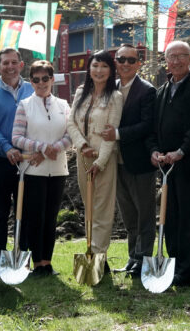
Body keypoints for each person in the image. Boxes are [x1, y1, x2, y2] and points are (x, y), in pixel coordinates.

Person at [147, 40, 190, 287]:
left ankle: (189, 272)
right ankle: (173, 265)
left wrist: (182, 151)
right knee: (170, 216)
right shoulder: (162, 91)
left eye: (181, 56)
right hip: (166, 166)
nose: (175, 61)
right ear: (166, 61)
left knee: (188, 219)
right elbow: (153, 128)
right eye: (171, 57)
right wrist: (155, 151)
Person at [11, 60, 72, 277]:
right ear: (31, 82)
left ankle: (47, 262)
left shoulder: (64, 105)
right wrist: (42, 147)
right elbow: (17, 137)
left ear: (52, 79)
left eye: (45, 78)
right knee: (35, 217)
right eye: (36, 79)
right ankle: (36, 262)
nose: (41, 83)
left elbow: (71, 134)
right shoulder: (24, 105)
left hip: (57, 169)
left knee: (51, 217)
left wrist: (55, 148)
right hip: (33, 170)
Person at [102, 44, 157, 277]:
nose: (125, 64)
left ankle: (144, 259)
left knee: (144, 214)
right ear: (115, 62)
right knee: (128, 215)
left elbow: (147, 125)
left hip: (140, 162)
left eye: (131, 60)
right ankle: (132, 258)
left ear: (138, 64)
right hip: (116, 163)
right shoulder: (109, 88)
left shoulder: (147, 91)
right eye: (121, 59)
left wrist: (118, 134)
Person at [67, 51, 124, 270]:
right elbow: (70, 122)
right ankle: (90, 251)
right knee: (88, 207)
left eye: (104, 67)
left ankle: (99, 258)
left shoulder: (115, 97)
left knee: (102, 209)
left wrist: (100, 162)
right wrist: (82, 145)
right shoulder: (82, 92)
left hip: (104, 161)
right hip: (84, 158)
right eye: (95, 66)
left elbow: (111, 132)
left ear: (111, 71)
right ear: (89, 69)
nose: (99, 71)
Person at [0, 48, 35, 270]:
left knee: (26, 210)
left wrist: (30, 148)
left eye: (14, 62)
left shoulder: (33, 90)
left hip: (29, 159)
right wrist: (6, 148)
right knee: (1, 211)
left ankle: (23, 257)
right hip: (1, 159)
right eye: (5, 63)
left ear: (21, 65)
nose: (10, 67)